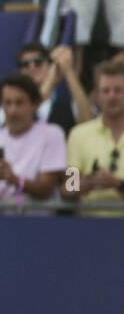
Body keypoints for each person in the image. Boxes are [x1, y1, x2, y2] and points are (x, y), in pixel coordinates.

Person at [0, 74, 67, 204]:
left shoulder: (52, 134)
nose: (12, 110)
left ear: (34, 105)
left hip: (42, 222)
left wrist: (14, 179)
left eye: (19, 103)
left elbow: (45, 190)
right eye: (7, 103)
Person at [63, 58, 124, 206]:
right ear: (96, 96)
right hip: (90, 225)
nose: (112, 96)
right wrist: (87, 183)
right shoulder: (78, 135)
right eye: (106, 91)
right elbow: (69, 187)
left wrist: (117, 184)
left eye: (118, 90)